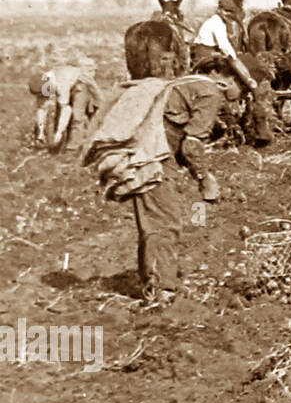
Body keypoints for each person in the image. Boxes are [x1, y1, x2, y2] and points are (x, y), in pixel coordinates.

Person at [83, 71, 247, 307]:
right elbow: (192, 146)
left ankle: (155, 281)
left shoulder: (191, 82)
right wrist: (204, 177)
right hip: (152, 156)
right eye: (241, 90)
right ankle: (161, 291)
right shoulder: (211, 93)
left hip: (152, 151)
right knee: (164, 221)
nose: (238, 99)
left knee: (154, 221)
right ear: (230, 80)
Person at [191, 0, 258, 89]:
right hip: (206, 55)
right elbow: (224, 45)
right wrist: (233, 58)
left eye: (231, 12)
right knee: (233, 60)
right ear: (219, 10)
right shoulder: (217, 23)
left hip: (203, 53)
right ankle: (249, 82)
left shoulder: (214, 21)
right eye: (226, 11)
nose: (228, 14)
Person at [29, 64, 101, 151]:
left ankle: (73, 147)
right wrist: (40, 133)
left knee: (77, 116)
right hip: (65, 82)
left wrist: (59, 132)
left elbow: (66, 110)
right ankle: (56, 142)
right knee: (56, 113)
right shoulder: (42, 81)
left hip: (80, 83)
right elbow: (41, 109)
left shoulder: (61, 84)